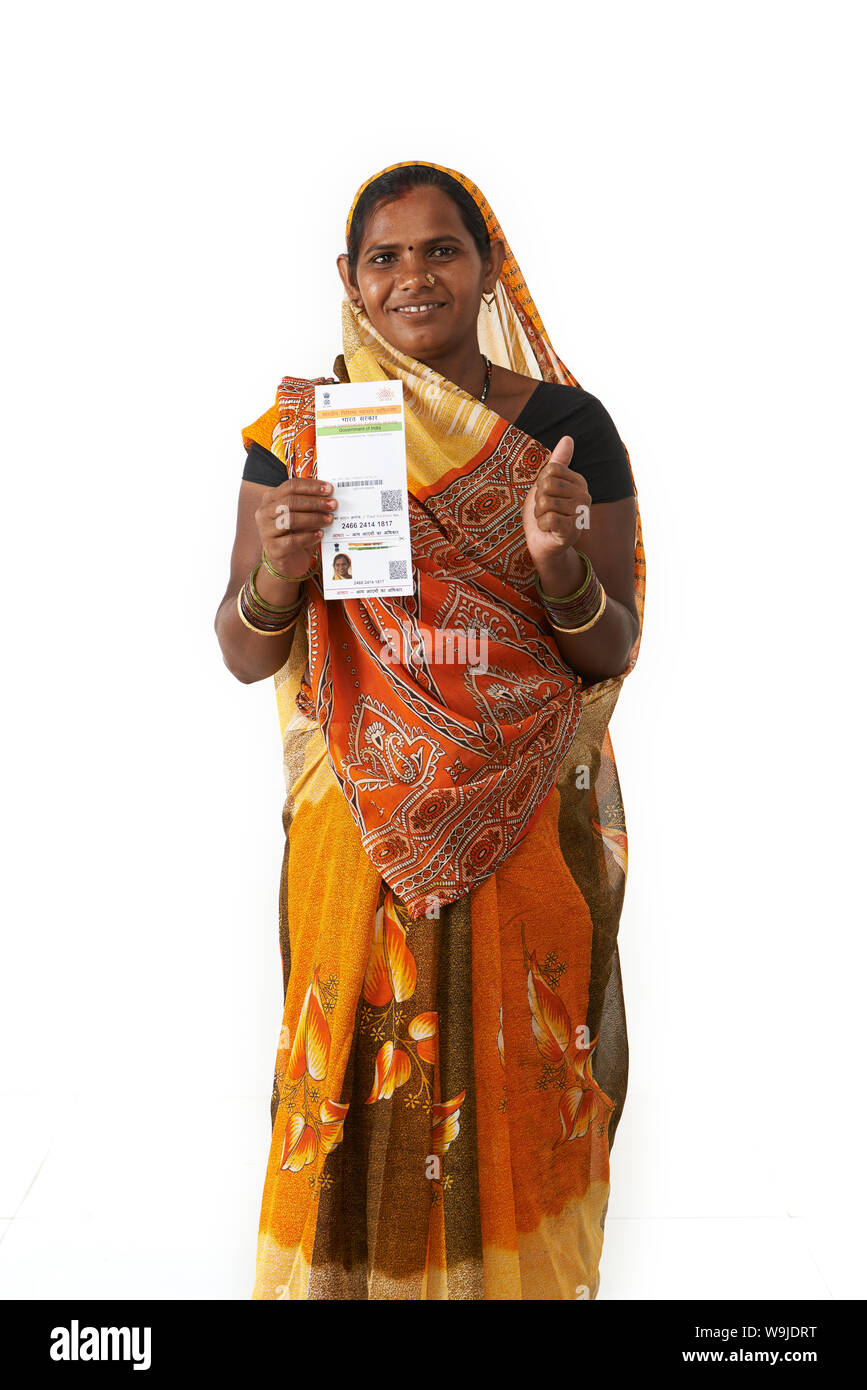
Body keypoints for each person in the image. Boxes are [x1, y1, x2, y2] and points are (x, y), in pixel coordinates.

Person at [214, 161, 645, 1300]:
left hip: (522, 826)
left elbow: (612, 645)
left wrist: (558, 570)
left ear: (487, 264)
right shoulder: (301, 434)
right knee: (354, 1089)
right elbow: (244, 644)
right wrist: (278, 569)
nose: (415, 275)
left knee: (519, 1088)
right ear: (350, 280)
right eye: (386, 255)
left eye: (441, 249)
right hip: (357, 825)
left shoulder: (564, 428)